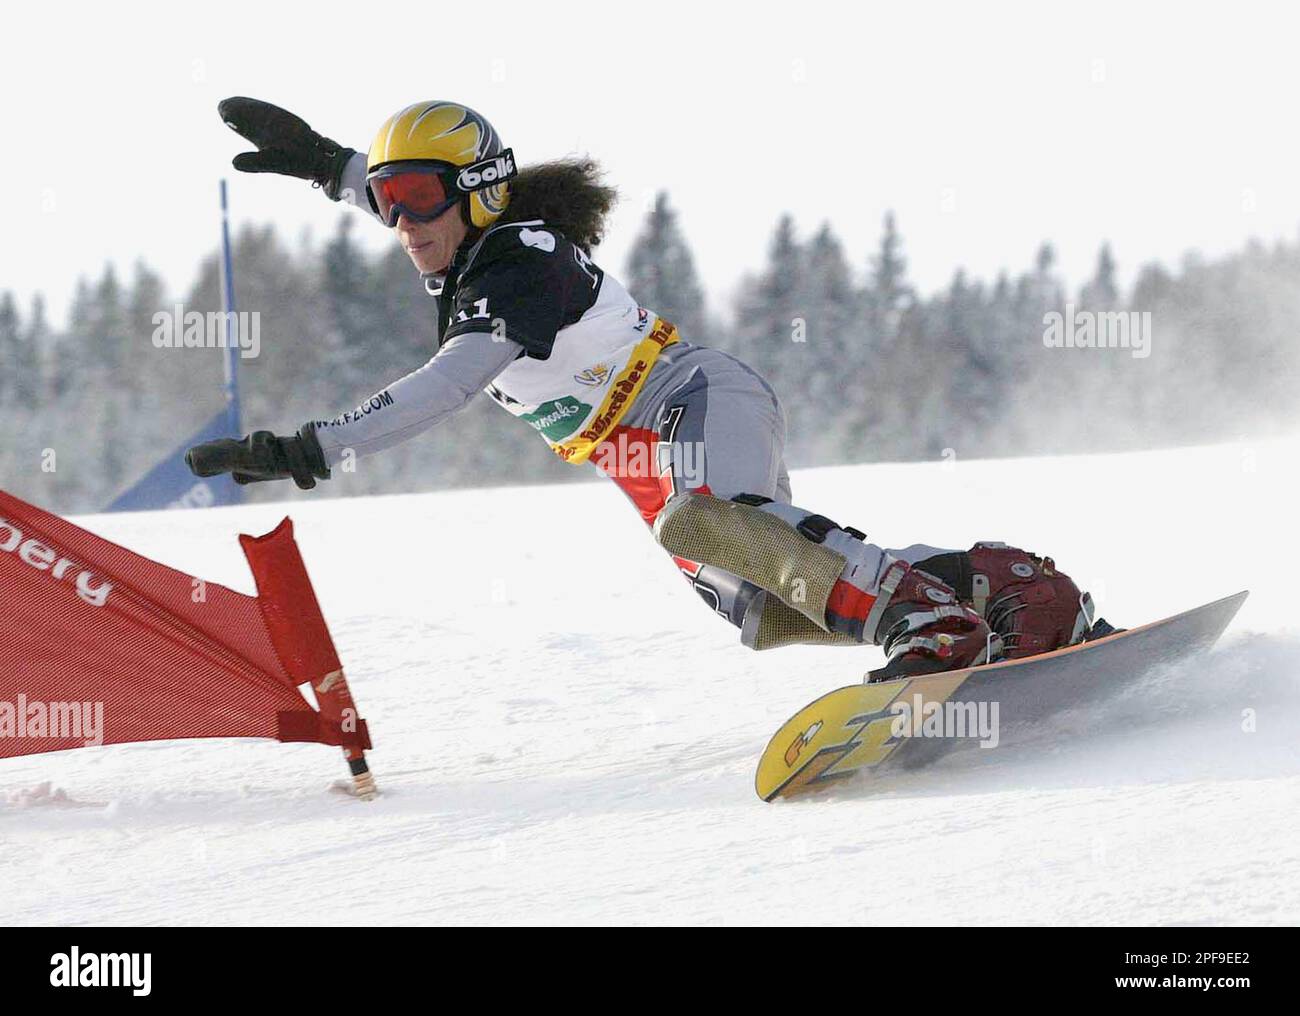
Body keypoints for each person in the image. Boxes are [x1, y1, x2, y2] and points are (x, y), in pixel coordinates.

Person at [187, 98, 1095, 680]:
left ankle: (931, 626)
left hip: (689, 398)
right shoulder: (469, 251)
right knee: (764, 607)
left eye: (421, 197)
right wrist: (327, 164)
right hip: (637, 457)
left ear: (484, 194)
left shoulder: (517, 263)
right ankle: (1003, 587)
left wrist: (308, 447)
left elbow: (448, 386)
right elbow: (397, 195)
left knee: (705, 514)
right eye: (387, 202)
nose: (400, 222)